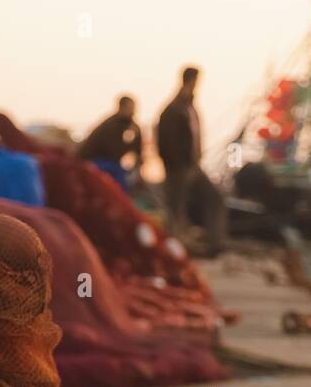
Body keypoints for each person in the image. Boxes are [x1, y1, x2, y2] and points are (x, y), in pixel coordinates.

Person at [156, 65, 227, 256]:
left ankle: (215, 244)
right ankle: (172, 251)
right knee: (175, 209)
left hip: (193, 166)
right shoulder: (173, 109)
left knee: (214, 198)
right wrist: (175, 165)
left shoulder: (189, 107)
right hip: (179, 168)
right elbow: (164, 141)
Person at [77, 96, 143, 192]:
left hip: (107, 160)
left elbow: (137, 148)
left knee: (123, 176)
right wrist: (129, 147)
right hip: (94, 160)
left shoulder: (129, 125)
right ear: (121, 108)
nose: (133, 112)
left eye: (133, 109)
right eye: (130, 108)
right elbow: (113, 151)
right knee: (120, 181)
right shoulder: (111, 125)